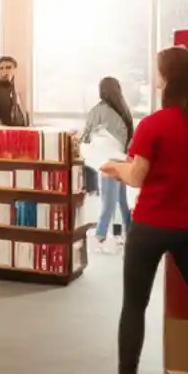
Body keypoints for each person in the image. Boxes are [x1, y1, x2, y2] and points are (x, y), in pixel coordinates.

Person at [98, 47, 188, 374]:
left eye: (158, 71)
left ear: (168, 78)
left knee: (134, 304)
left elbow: (136, 177)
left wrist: (115, 167)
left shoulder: (154, 125)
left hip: (151, 226)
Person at [79, 77, 134, 253]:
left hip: (106, 160)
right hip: (121, 159)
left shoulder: (98, 110)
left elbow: (86, 136)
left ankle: (100, 235)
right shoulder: (124, 111)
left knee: (107, 200)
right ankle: (129, 234)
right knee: (121, 201)